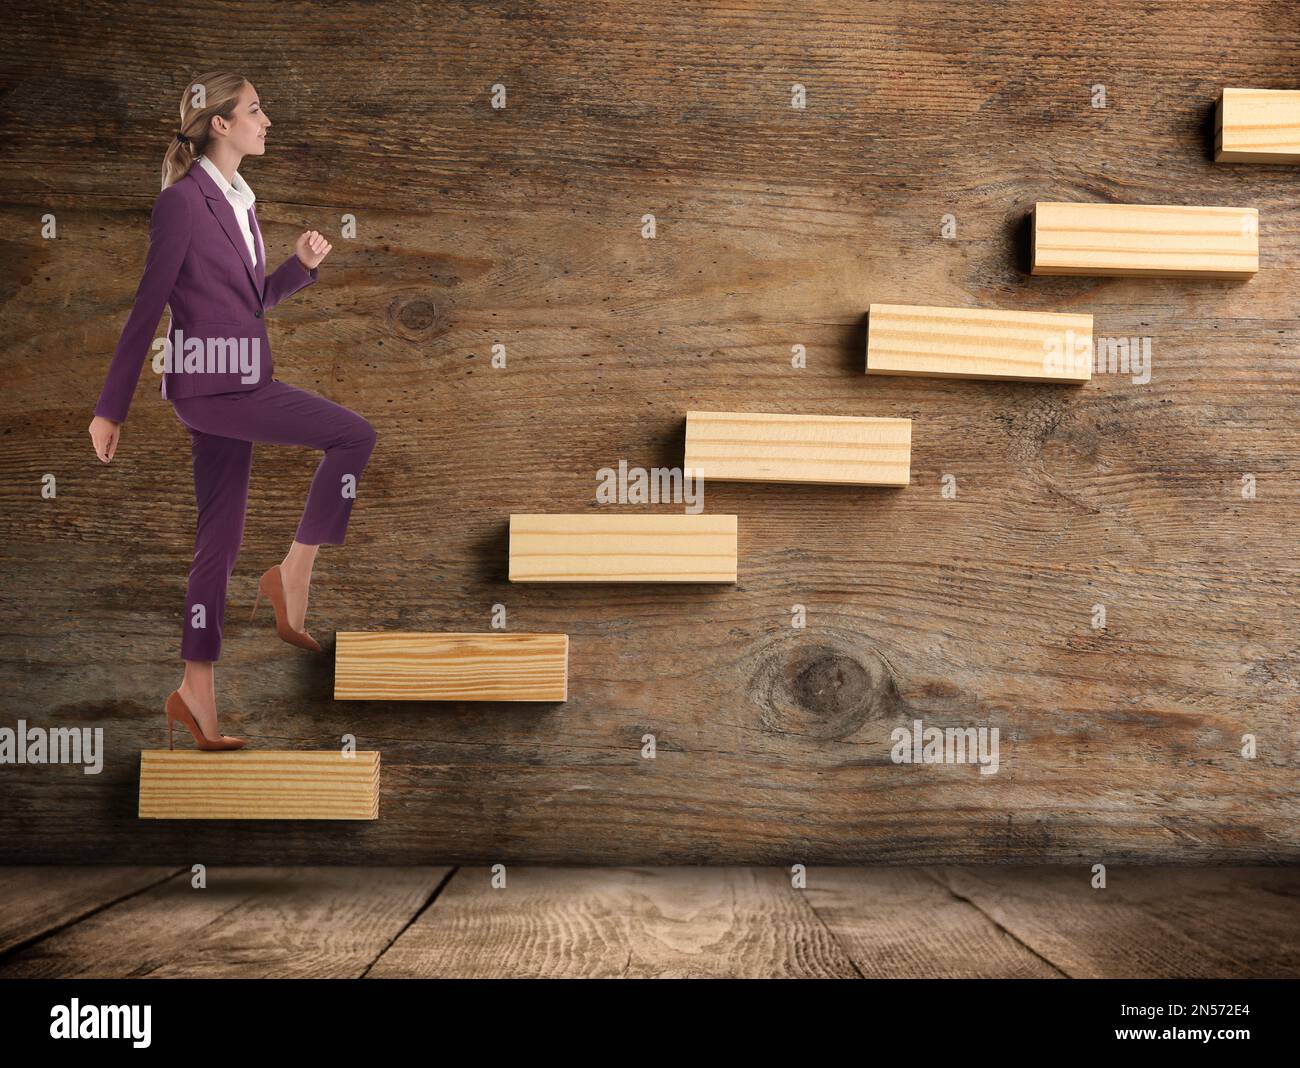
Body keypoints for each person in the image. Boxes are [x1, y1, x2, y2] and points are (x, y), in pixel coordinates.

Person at [87, 71, 377, 750]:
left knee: (217, 542)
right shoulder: (181, 205)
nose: (266, 120)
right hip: (214, 390)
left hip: (233, 384)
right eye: (254, 110)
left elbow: (246, 307)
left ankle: (195, 692)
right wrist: (111, 409)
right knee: (353, 436)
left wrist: (297, 269)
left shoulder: (241, 202)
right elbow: (146, 309)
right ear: (220, 124)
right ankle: (294, 573)